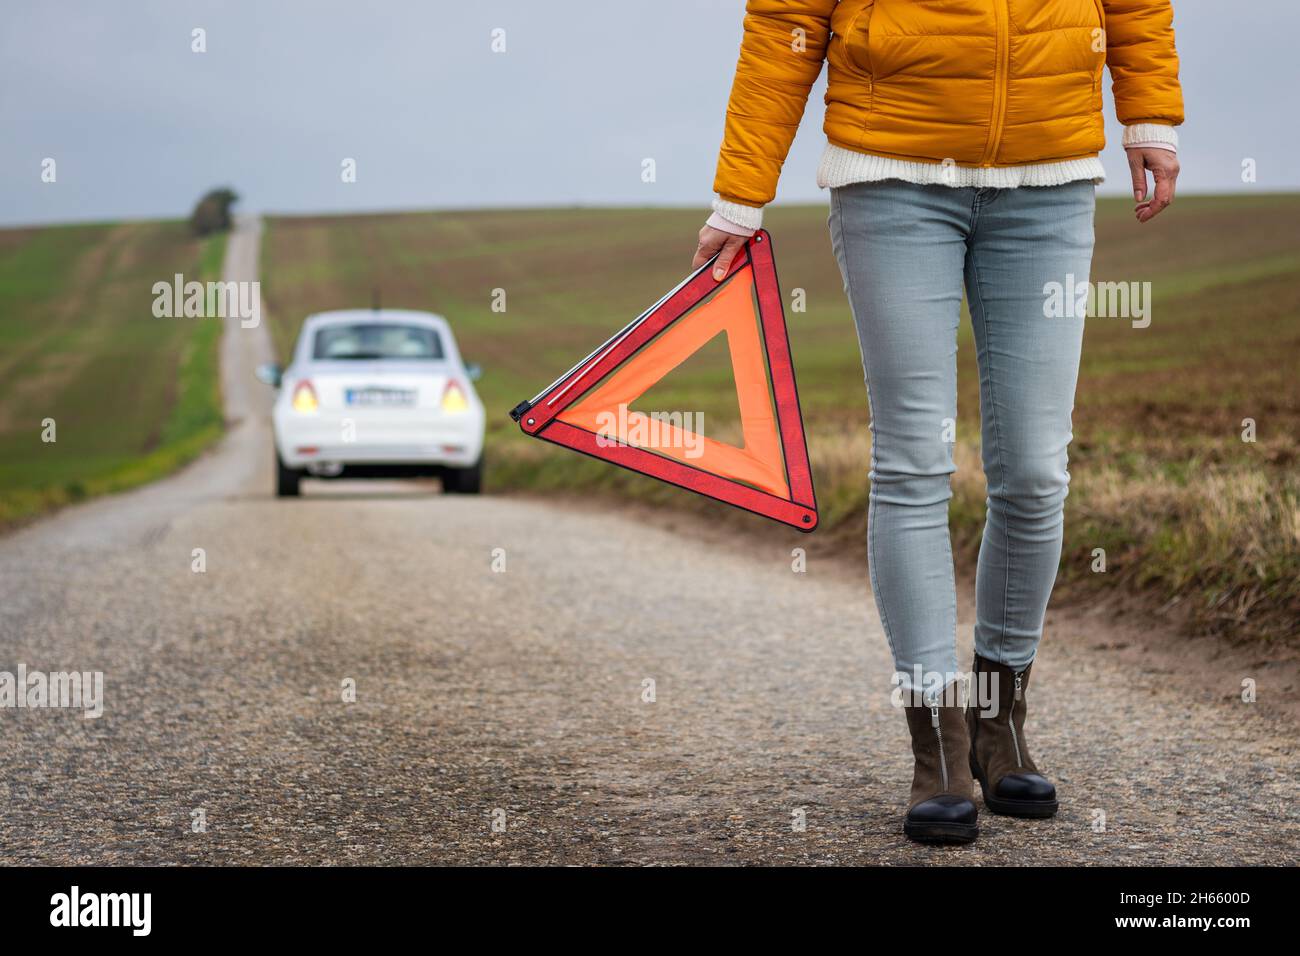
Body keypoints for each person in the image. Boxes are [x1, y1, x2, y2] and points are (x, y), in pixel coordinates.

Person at [694, 0, 1183, 844]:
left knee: (1034, 469)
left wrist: (1149, 113)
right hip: (891, 177)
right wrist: (741, 195)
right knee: (914, 462)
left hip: (1049, 178)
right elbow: (785, 22)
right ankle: (940, 747)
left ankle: (1000, 723)